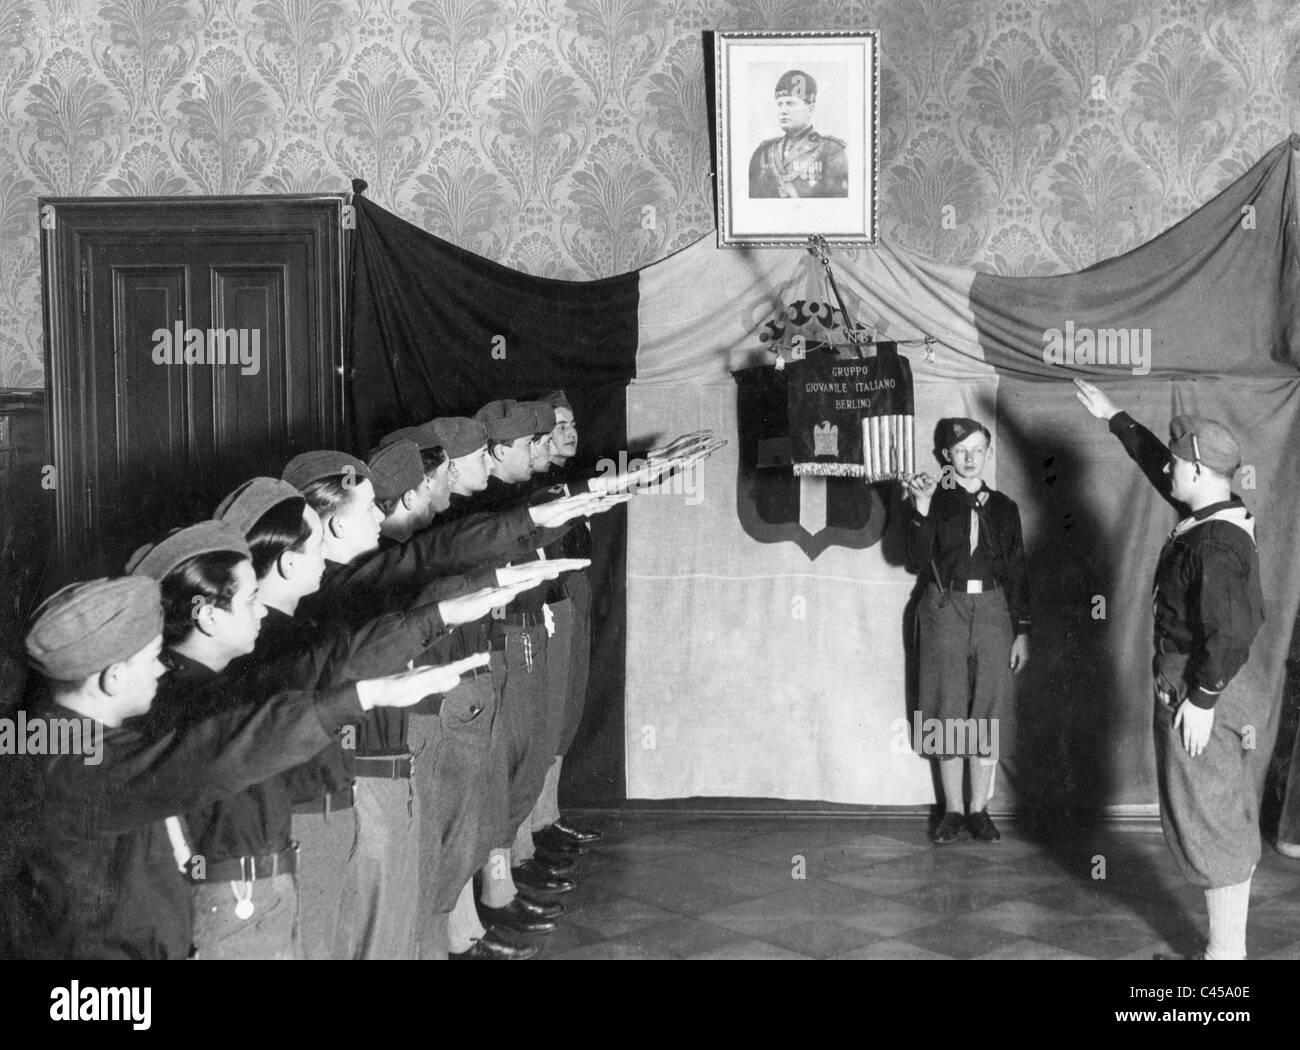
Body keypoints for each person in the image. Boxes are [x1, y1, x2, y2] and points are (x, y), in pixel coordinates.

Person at [8, 554, 458, 960]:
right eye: (151, 659)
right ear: (112, 678)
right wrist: (362, 695)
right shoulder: (71, 765)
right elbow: (210, 757)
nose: (162, 667)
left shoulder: (60, 738)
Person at [1074, 379, 1269, 960]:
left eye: (1180, 462)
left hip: (1202, 689)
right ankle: (1223, 953)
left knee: (1213, 823)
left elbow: (1231, 633)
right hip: (1200, 683)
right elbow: (1161, 466)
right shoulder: (1214, 510)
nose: (1170, 470)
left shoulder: (1215, 544)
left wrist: (1203, 702)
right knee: (1213, 817)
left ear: (1202, 473)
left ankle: (1225, 967)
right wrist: (1116, 417)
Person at [905, 418, 1030, 845]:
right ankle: (953, 811)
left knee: (988, 709)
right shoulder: (934, 500)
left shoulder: (1004, 508)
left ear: (988, 453)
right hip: (945, 607)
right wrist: (920, 509)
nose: (970, 458)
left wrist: (1022, 629)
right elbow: (914, 561)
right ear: (947, 456)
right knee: (947, 706)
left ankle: (979, 809)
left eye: (978, 449)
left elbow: (1017, 572)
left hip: (994, 608)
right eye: (961, 451)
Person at [748, 69, 848, 199]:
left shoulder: (830, 150)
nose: (783, 110)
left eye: (790, 103)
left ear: (810, 109)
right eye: (780, 104)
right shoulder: (764, 153)